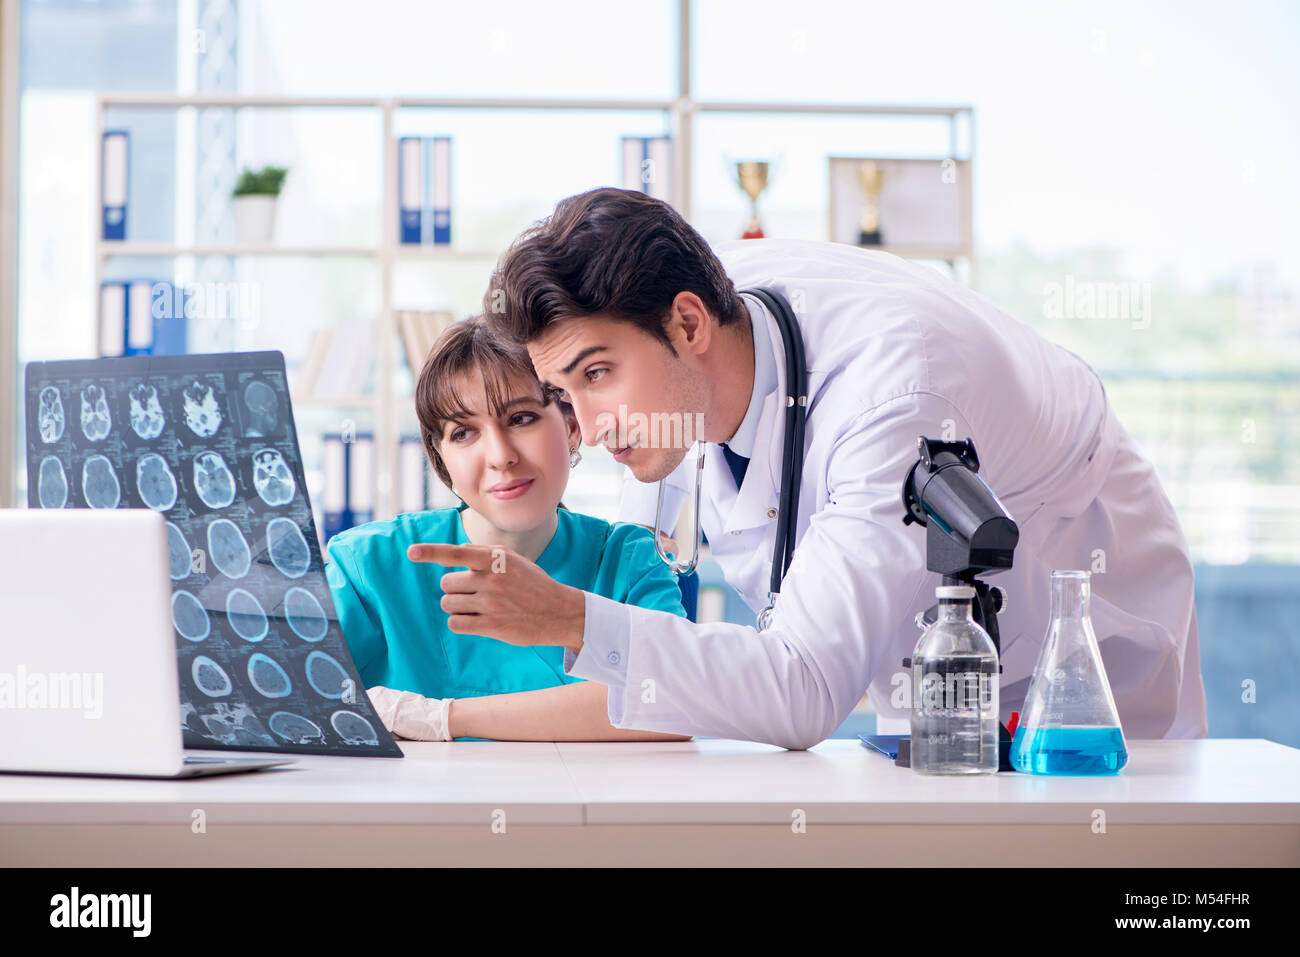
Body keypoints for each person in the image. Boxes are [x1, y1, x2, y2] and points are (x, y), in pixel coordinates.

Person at [407, 187, 1208, 751]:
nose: (580, 422)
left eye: (594, 375)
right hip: (933, 666)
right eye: (558, 393)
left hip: (1071, 606)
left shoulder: (894, 398)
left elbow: (802, 694)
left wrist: (572, 620)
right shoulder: (694, 332)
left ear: (688, 322)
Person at [324, 315, 690, 742]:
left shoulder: (629, 562)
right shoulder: (368, 567)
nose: (500, 456)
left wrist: (442, 718)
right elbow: (285, 701)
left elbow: (675, 702)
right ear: (441, 460)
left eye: (520, 419)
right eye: (463, 434)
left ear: (572, 427)